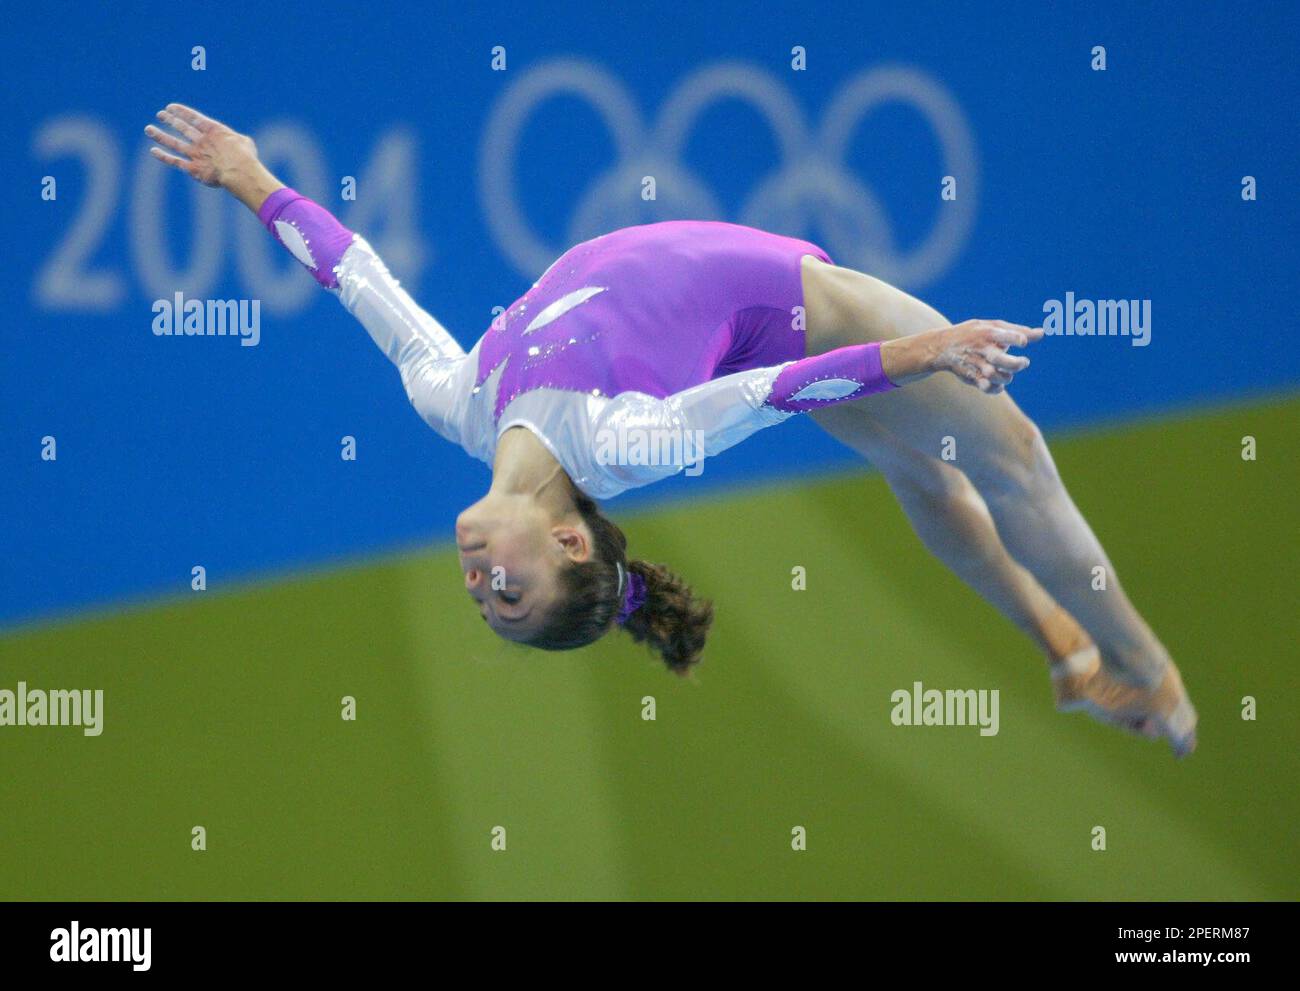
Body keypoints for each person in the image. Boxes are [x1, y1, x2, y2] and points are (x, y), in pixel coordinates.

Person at [145, 103, 1196, 756]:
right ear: (565, 544)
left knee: (929, 480)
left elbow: (361, 281)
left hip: (757, 331)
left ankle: (1063, 648)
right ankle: (1148, 669)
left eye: (480, 602)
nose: (478, 583)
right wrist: (925, 350)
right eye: (510, 595)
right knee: (1011, 464)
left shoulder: (458, 406)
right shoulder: (619, 445)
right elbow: (778, 392)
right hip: (805, 313)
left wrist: (256, 182)